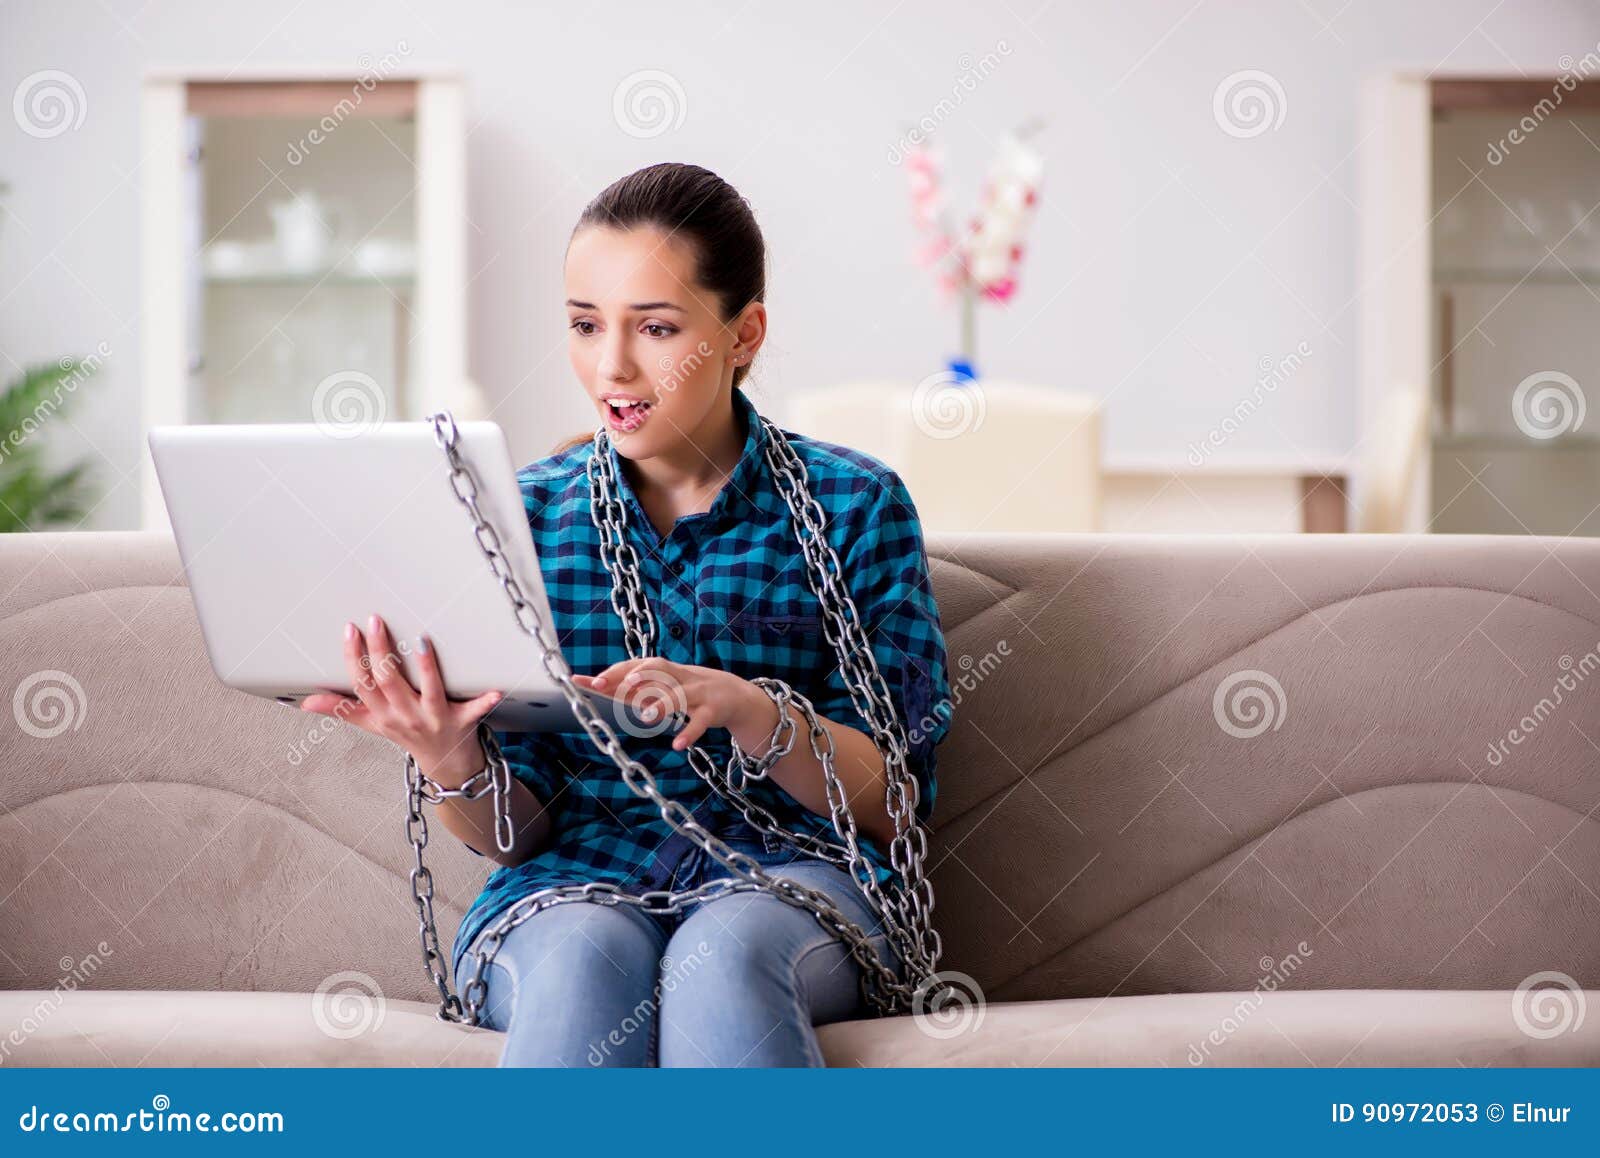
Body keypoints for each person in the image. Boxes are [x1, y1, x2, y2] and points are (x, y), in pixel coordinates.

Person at [299, 162, 953, 1067]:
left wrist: (750, 710)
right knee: (581, 959)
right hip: (571, 889)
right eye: (583, 325)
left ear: (743, 334)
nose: (610, 366)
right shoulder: (516, 520)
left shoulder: (855, 506)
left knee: (722, 953)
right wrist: (446, 752)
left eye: (655, 327)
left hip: (794, 883)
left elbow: (897, 804)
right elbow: (515, 838)